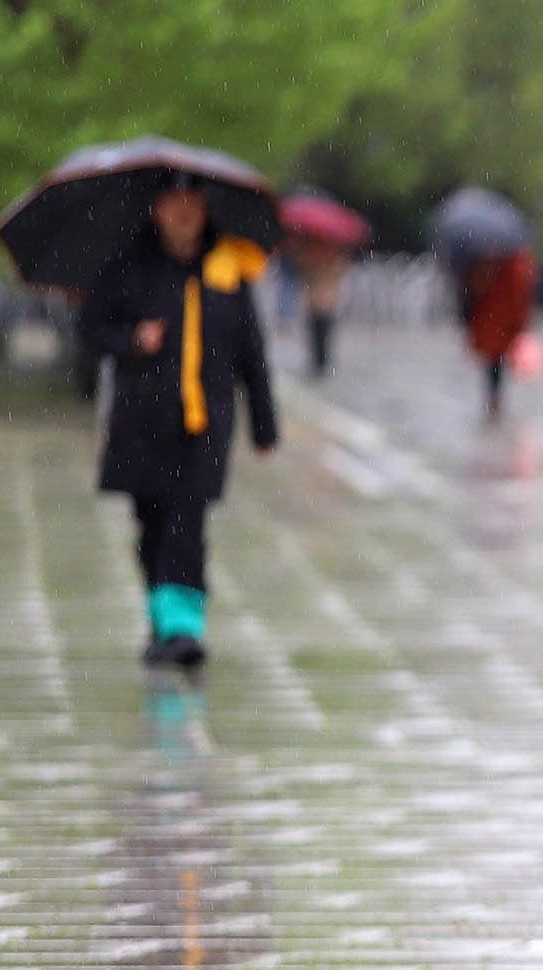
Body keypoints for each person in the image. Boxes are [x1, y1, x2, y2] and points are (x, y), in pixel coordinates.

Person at [80, 174, 277, 668]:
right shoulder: (129, 266)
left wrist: (264, 423)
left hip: (205, 422)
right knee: (152, 524)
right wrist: (132, 341)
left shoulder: (228, 269)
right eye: (174, 203)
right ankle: (162, 622)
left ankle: (184, 628)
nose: (183, 213)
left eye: (193, 203)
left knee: (186, 523)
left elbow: (251, 352)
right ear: (157, 210)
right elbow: (91, 329)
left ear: (205, 210)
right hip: (143, 419)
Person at [457, 247, 536, 423]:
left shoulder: (495, 262)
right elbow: (521, 292)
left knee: (495, 364)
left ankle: (494, 405)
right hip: (498, 323)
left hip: (496, 323)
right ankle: (495, 405)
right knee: (495, 364)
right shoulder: (513, 261)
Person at [289, 233, 351, 378]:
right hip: (317, 303)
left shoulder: (333, 260)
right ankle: (318, 363)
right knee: (316, 335)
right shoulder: (316, 259)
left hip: (324, 303)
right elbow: (304, 273)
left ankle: (321, 363)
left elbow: (338, 276)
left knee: (322, 336)